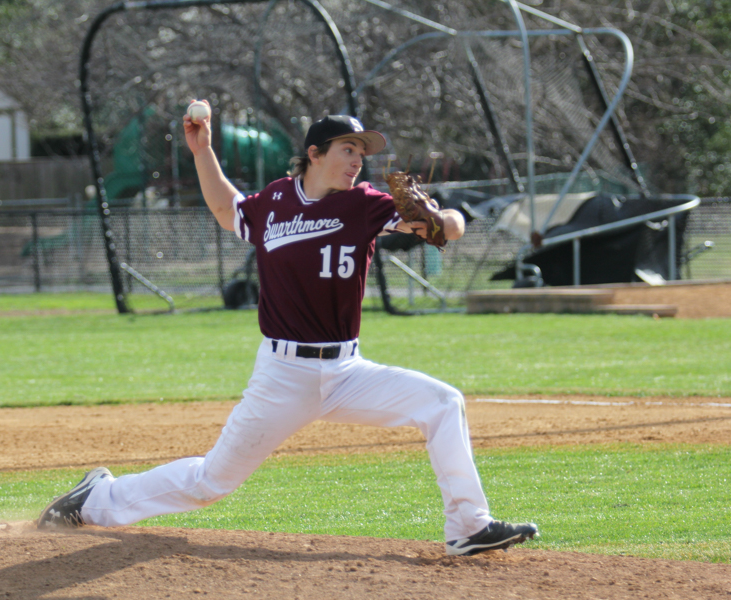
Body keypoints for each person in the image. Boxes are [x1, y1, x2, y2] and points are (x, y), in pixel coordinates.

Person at [37, 104, 538, 557]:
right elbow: (226, 209)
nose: (358, 160)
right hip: (283, 374)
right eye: (348, 149)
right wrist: (204, 150)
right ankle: (97, 499)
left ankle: (469, 527)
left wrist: (443, 218)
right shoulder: (276, 202)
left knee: (442, 402)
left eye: (362, 151)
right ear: (314, 154)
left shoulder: (363, 205)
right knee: (212, 482)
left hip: (346, 370)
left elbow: (448, 227)